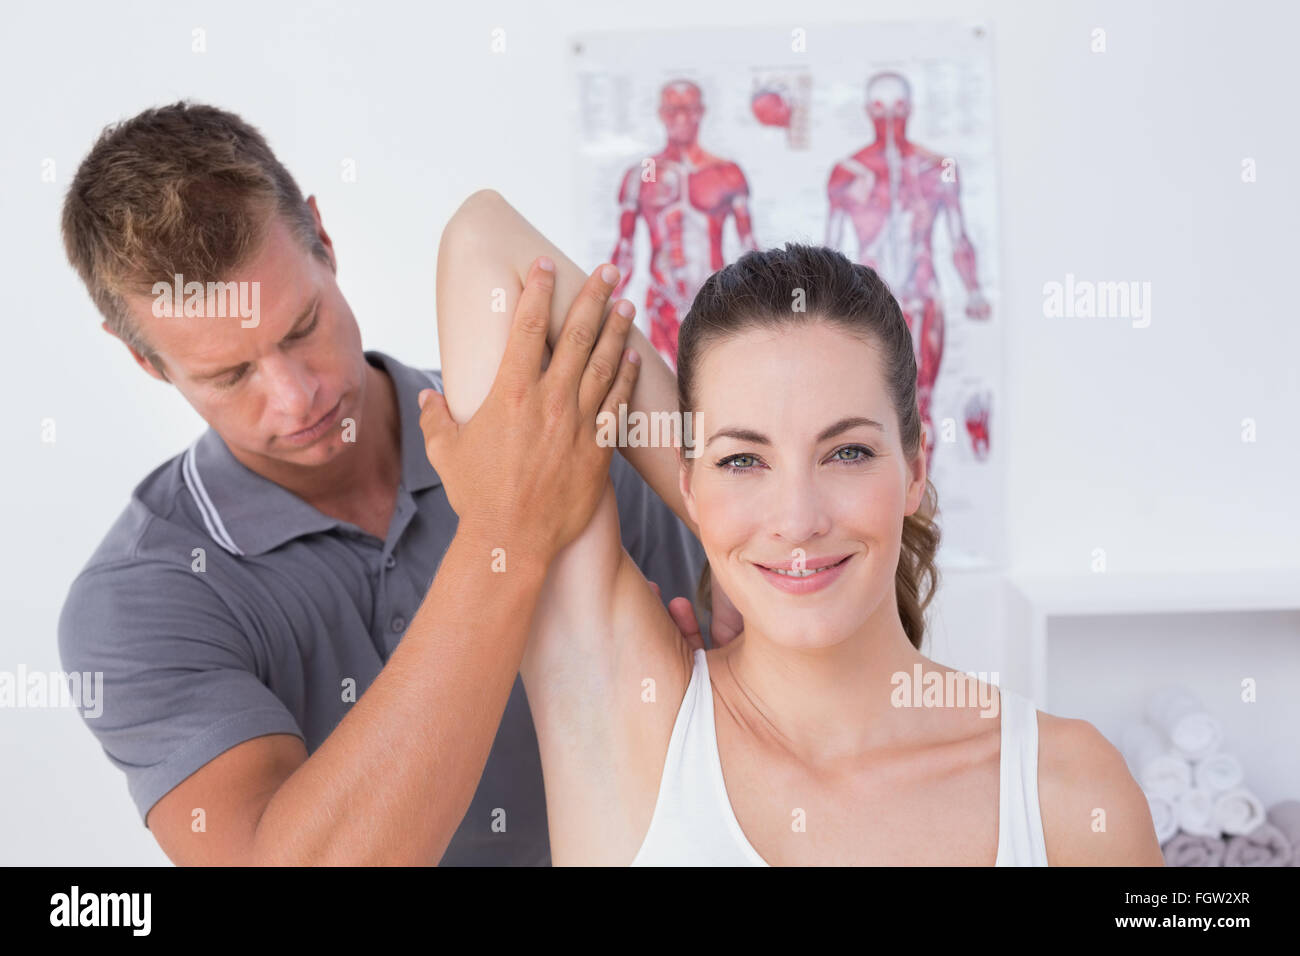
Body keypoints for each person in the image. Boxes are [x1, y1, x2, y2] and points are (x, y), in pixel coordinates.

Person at [54, 101, 726, 865]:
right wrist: (506, 533)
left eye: (302, 326)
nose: (295, 396)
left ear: (324, 240)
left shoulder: (559, 435)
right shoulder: (141, 598)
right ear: (146, 360)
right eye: (230, 374)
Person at [429, 190, 1167, 865]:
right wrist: (730, 531)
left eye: (847, 451)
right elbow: (480, 244)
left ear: (914, 469)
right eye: (744, 459)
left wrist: (737, 517)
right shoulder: (628, 717)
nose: (798, 519)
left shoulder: (1070, 793)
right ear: (687, 480)